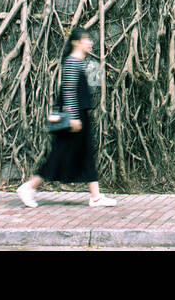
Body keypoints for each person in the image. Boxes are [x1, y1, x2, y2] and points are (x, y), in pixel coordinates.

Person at [16, 26, 115, 208]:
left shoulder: (78, 61)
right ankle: (29, 187)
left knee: (86, 154)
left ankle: (96, 196)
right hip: (74, 119)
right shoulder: (71, 62)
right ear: (77, 42)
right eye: (87, 40)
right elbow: (68, 91)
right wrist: (73, 117)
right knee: (58, 156)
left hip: (80, 116)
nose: (90, 43)